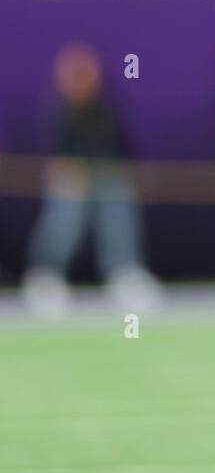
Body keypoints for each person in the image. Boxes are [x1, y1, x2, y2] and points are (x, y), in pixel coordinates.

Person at [22, 42, 159, 316]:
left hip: (106, 180)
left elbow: (120, 149)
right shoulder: (57, 110)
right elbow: (54, 157)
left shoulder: (105, 109)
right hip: (71, 183)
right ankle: (45, 279)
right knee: (65, 215)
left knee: (117, 206)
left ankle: (124, 274)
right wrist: (71, 173)